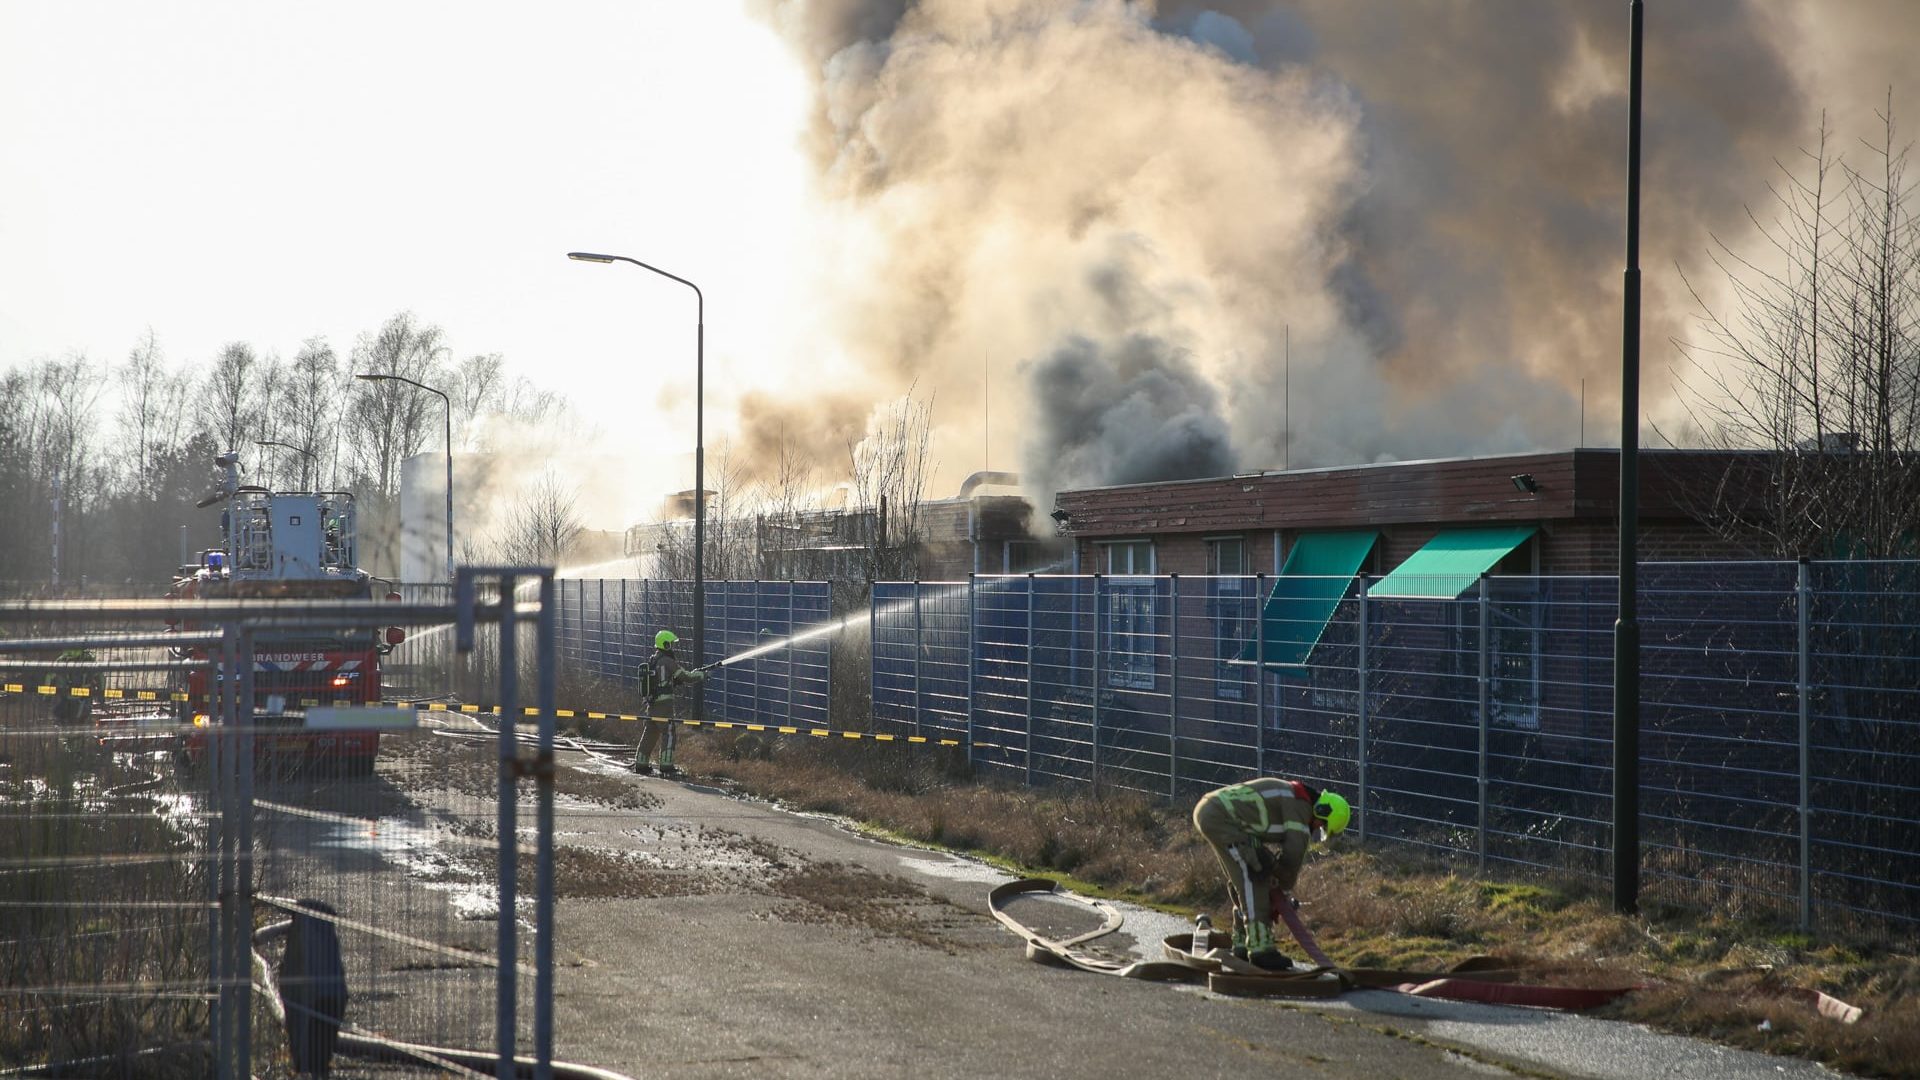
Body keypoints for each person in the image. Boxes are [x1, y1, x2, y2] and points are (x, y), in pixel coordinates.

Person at [1192, 777, 1350, 970]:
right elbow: (1293, 856)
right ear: (1322, 810)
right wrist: (1280, 886)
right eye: (1321, 824)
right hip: (1221, 818)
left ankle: (1242, 943)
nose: (1317, 828)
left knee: (1243, 879)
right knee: (1254, 878)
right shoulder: (1301, 807)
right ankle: (1260, 950)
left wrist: (1274, 874)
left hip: (1213, 813)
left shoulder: (1292, 795)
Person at [631, 630, 706, 776]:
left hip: (651, 705)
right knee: (669, 732)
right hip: (664, 706)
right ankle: (666, 765)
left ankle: (641, 763)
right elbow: (686, 677)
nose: (672, 647)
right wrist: (700, 675)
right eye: (670, 644)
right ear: (665, 644)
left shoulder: (653, 660)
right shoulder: (668, 661)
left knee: (650, 733)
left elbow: (664, 679)